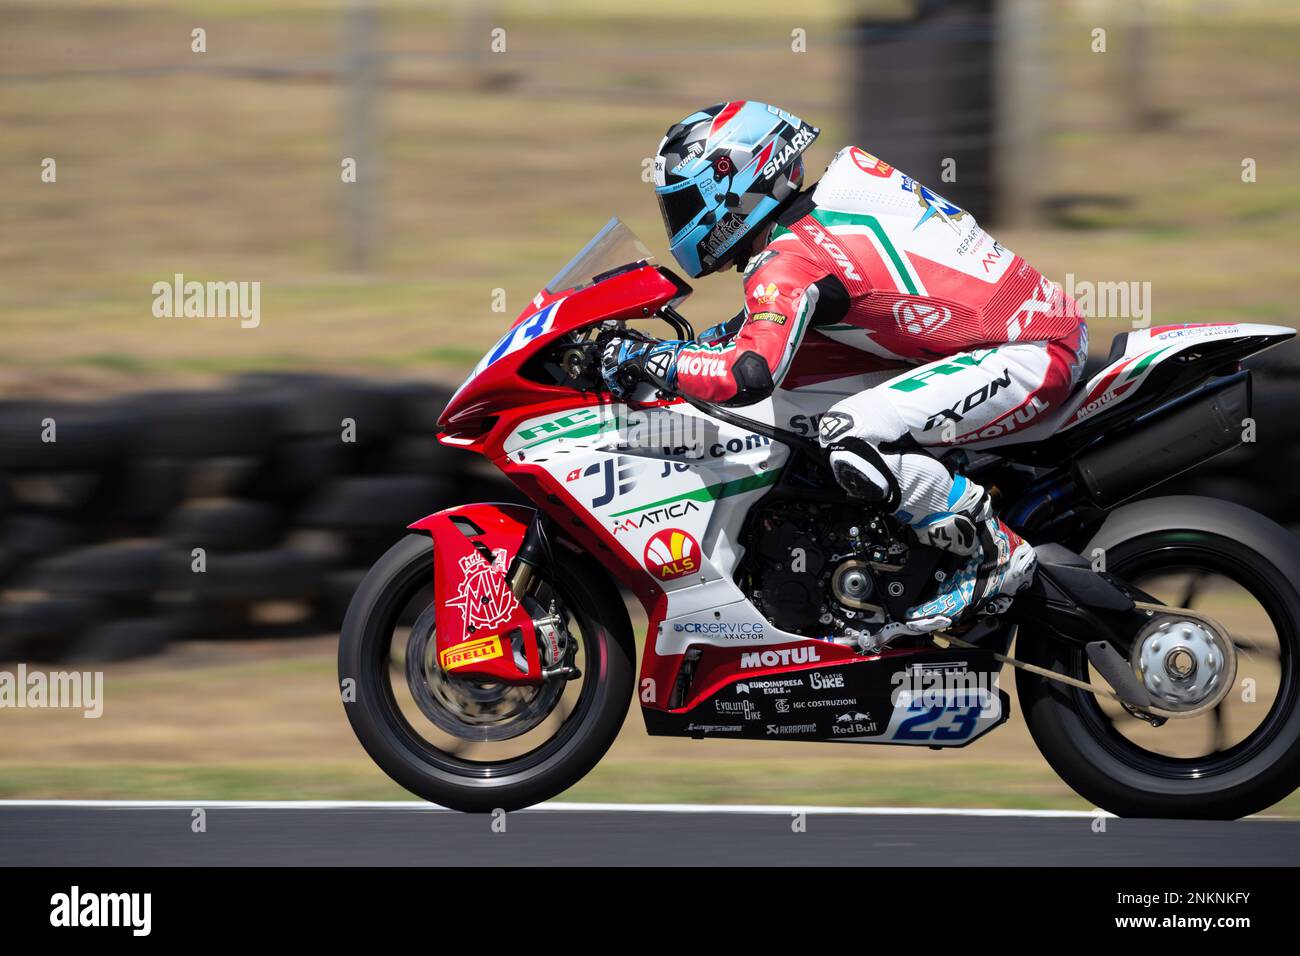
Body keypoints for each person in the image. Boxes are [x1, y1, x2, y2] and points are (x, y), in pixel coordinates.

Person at [601, 101, 1088, 638]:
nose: (681, 221)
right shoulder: (833, 196)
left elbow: (747, 371)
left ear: (731, 179)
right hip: (1017, 336)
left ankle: (992, 552)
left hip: (1029, 352)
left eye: (688, 201)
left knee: (847, 433)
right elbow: (779, 322)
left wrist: (651, 359)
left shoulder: (787, 258)